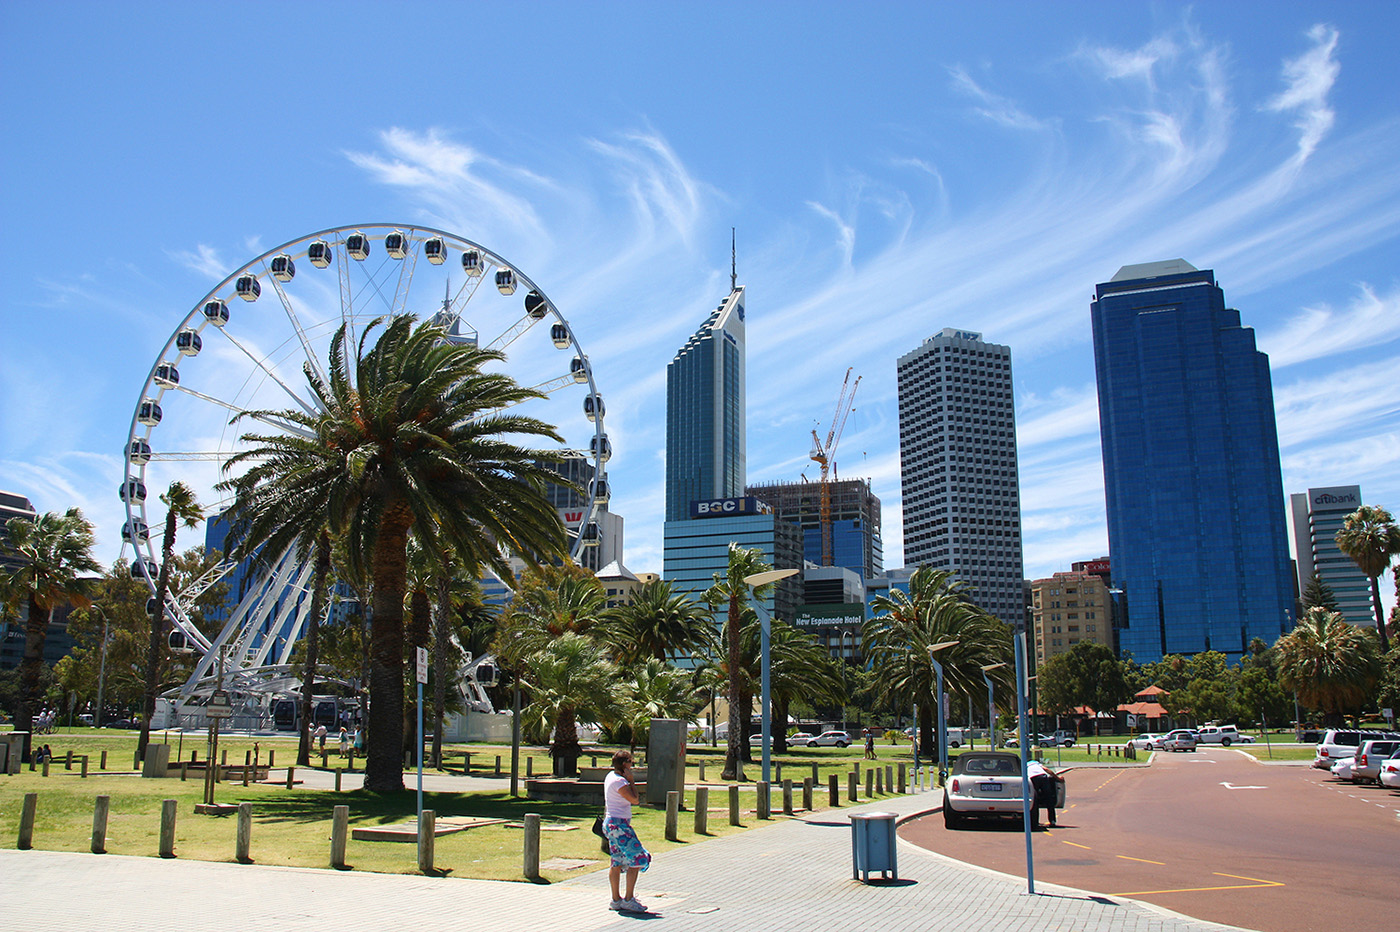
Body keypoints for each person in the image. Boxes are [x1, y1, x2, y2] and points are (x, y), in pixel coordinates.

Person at [602, 750, 651, 912]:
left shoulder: (610, 776)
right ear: (624, 764)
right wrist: (631, 781)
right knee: (638, 858)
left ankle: (616, 900)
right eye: (630, 762)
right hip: (619, 825)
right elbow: (634, 800)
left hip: (612, 823)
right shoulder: (619, 782)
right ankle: (628, 899)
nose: (632, 765)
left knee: (616, 861)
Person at [1026, 758, 1057, 828]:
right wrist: (1057, 778)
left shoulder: (1025, 765)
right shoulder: (1037, 763)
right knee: (1049, 799)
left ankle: (1035, 822)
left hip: (1032, 778)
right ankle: (1052, 821)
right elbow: (1047, 770)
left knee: (1034, 800)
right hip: (1043, 777)